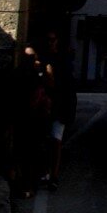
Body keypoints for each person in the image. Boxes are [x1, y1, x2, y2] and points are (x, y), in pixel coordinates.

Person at [10, 45, 52, 200]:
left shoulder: (36, 74)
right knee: (24, 155)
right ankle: (23, 186)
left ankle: (26, 186)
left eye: (33, 57)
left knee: (29, 155)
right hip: (25, 120)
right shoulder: (22, 74)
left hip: (33, 121)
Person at [41, 29, 76, 188]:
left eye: (53, 39)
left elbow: (68, 88)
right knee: (43, 141)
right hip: (41, 105)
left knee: (55, 141)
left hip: (58, 107)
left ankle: (53, 175)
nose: (50, 42)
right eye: (48, 39)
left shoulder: (63, 61)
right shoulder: (41, 58)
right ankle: (44, 171)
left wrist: (69, 111)